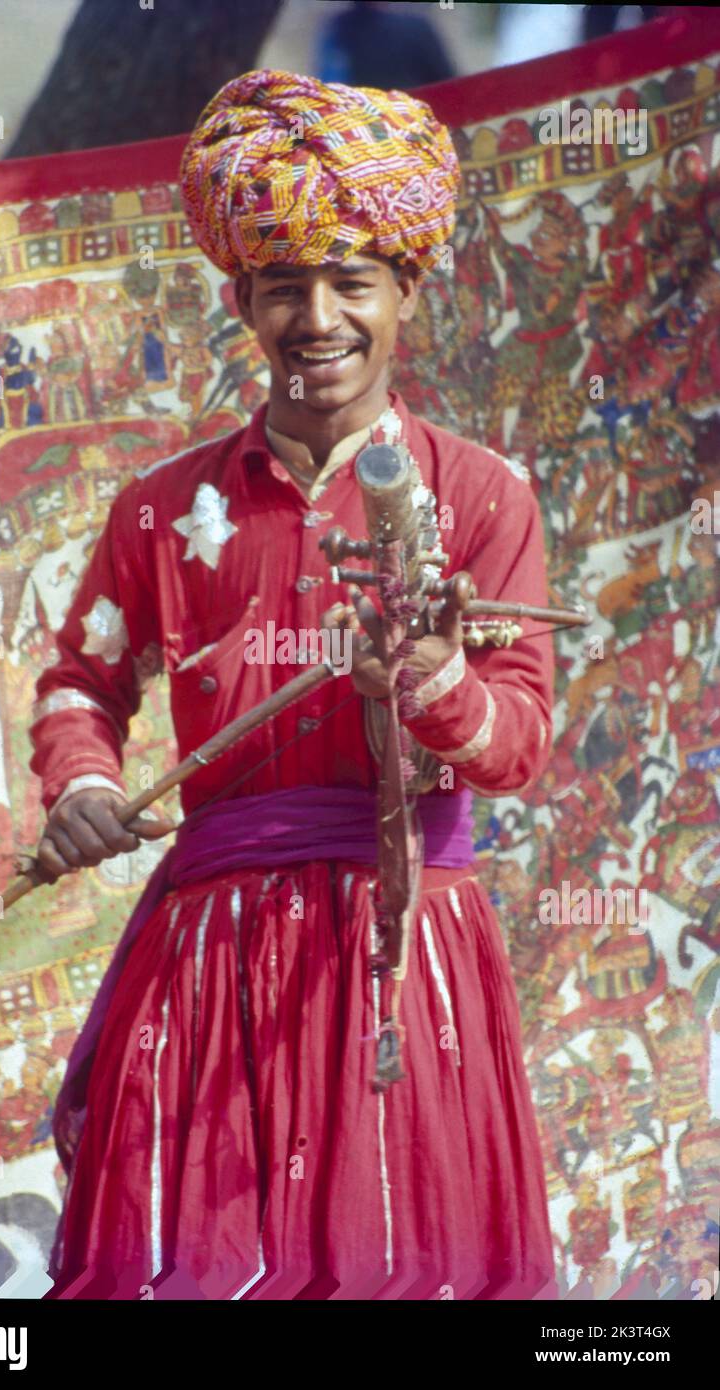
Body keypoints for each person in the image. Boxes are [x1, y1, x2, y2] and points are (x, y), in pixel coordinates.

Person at [30, 69, 556, 1301]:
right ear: (242, 300)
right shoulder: (161, 507)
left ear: (406, 295)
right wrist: (86, 784)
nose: (317, 316)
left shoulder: (482, 497)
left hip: (402, 936)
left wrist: (432, 682)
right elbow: (79, 680)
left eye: (352, 280)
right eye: (284, 285)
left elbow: (518, 741)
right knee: (191, 1266)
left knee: (395, 1263)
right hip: (208, 951)